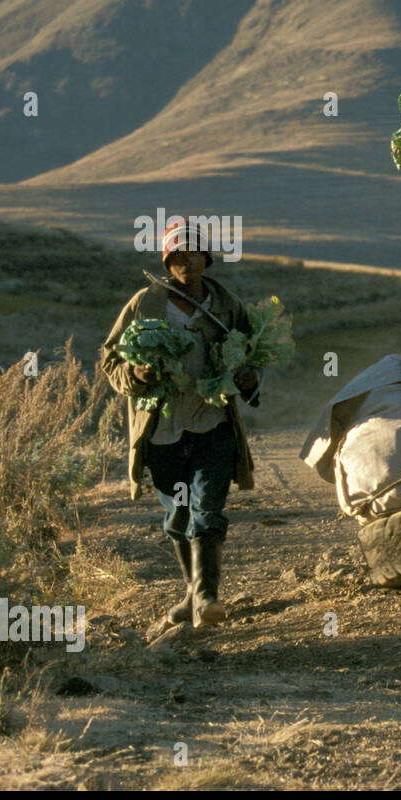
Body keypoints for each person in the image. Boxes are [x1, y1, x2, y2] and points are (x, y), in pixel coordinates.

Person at [99, 218, 261, 628]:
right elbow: (110, 360)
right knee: (179, 516)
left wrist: (248, 378)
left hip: (213, 425)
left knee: (208, 508)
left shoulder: (226, 305)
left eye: (195, 254)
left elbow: (255, 354)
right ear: (168, 262)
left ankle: (207, 596)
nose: (188, 262)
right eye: (179, 256)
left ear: (206, 258)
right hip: (163, 433)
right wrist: (135, 376)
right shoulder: (143, 306)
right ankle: (194, 594)